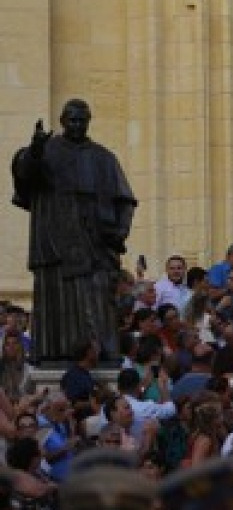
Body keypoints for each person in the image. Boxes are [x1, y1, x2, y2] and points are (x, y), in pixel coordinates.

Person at [10, 99, 137, 362]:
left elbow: (124, 201)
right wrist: (34, 150)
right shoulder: (46, 151)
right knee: (58, 302)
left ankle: (102, 354)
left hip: (96, 242)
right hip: (56, 240)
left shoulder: (104, 157)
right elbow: (24, 176)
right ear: (63, 121)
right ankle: (55, 354)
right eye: (72, 120)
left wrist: (120, 231)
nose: (77, 125)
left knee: (99, 298)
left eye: (82, 120)